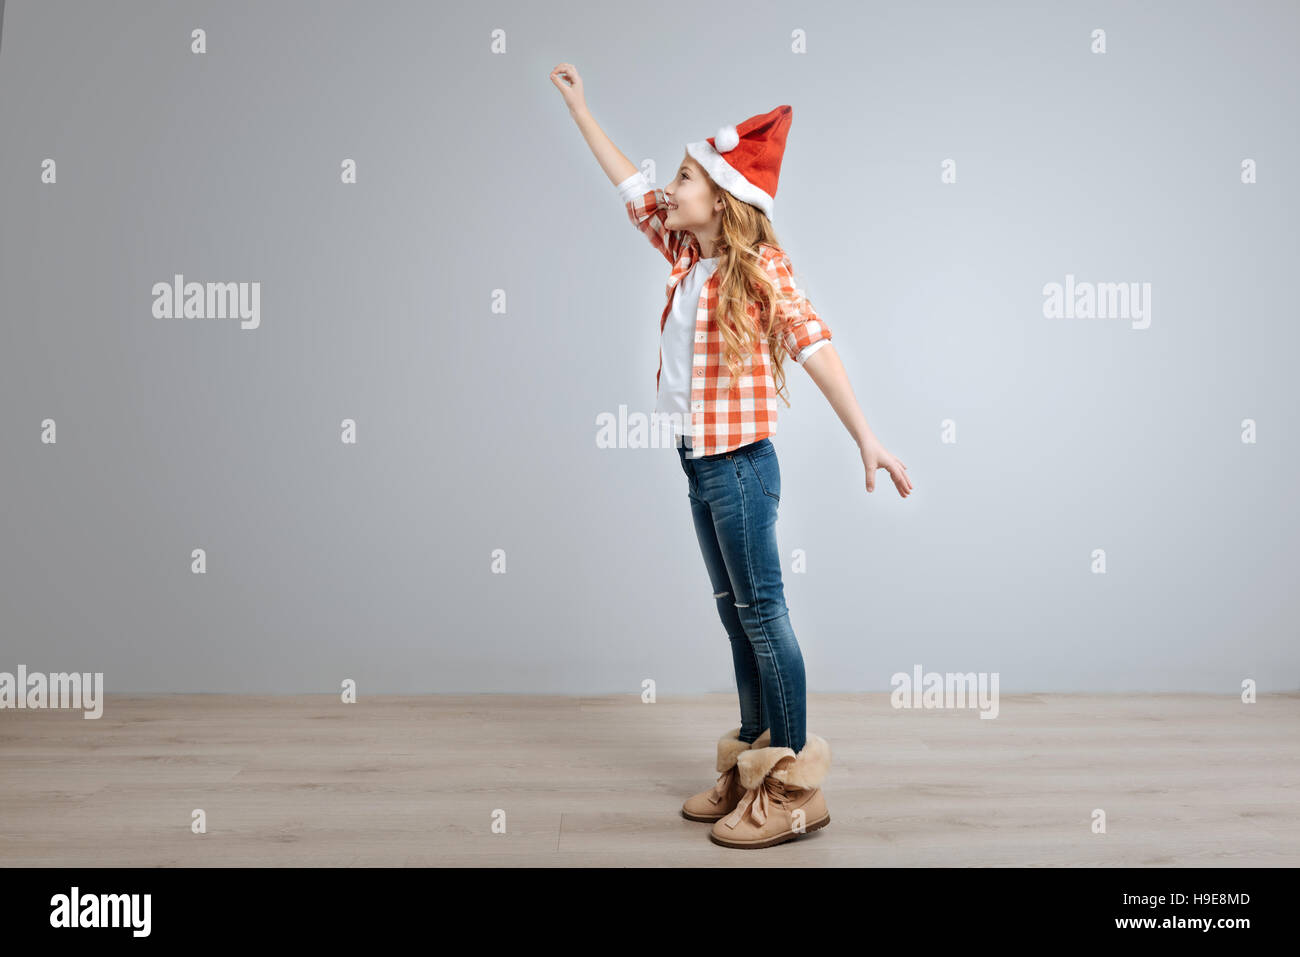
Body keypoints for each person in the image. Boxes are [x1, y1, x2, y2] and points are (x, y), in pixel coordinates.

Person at [550, 63, 913, 849]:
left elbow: (812, 341)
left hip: (740, 467)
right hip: (697, 461)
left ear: (718, 196)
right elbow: (628, 186)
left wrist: (866, 436)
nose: (669, 187)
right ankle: (752, 761)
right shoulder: (686, 252)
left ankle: (792, 789)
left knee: (762, 611)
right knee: (734, 614)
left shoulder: (757, 269)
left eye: (683, 176)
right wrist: (581, 107)